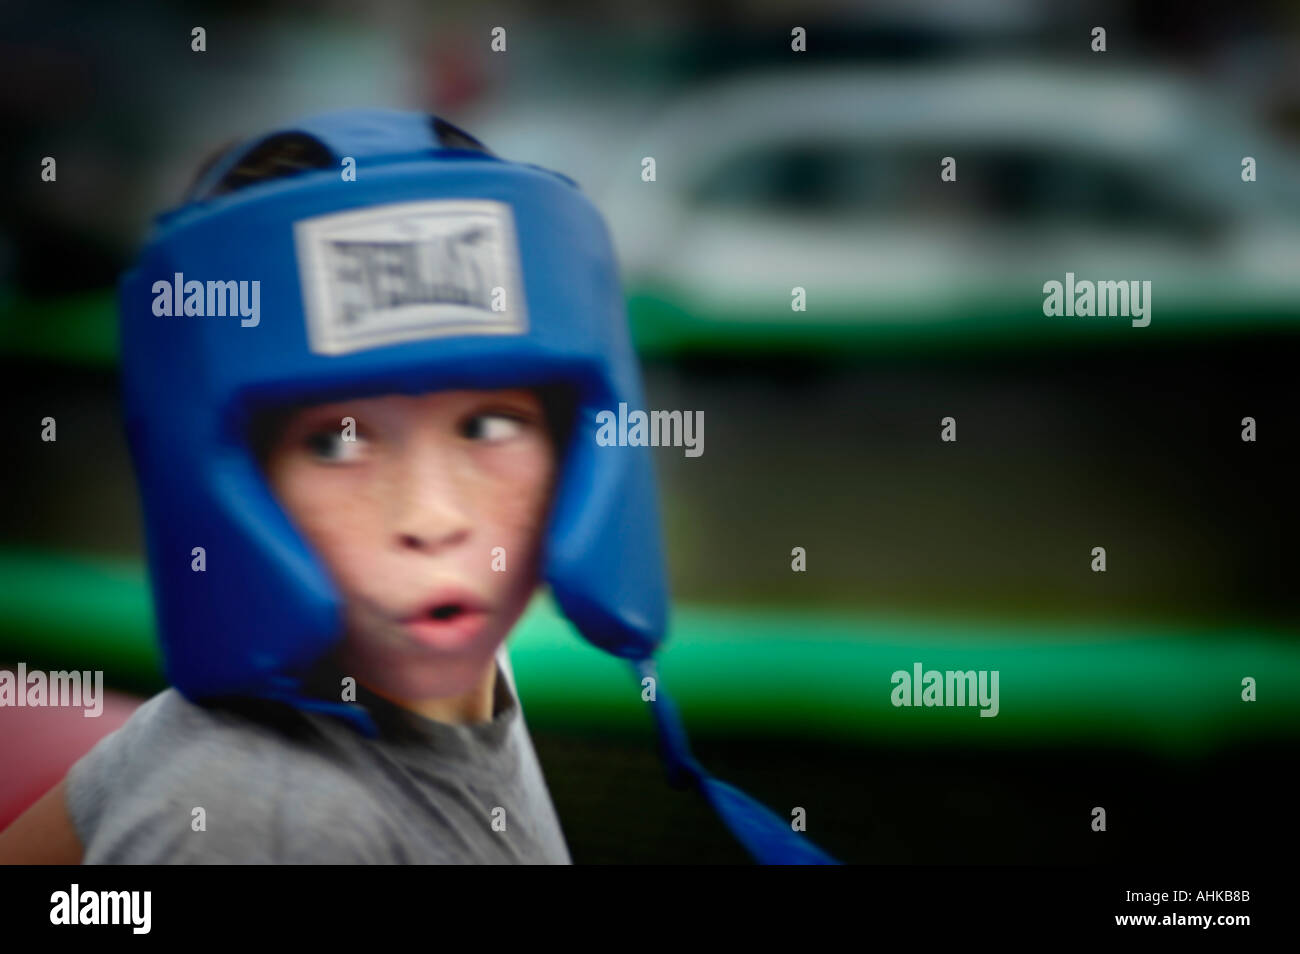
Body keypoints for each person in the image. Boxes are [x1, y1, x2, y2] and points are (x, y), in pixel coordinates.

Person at [0, 109, 837, 864]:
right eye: (337, 441)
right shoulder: (276, 820)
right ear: (227, 484)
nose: (433, 518)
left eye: (486, 425)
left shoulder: (445, 665)